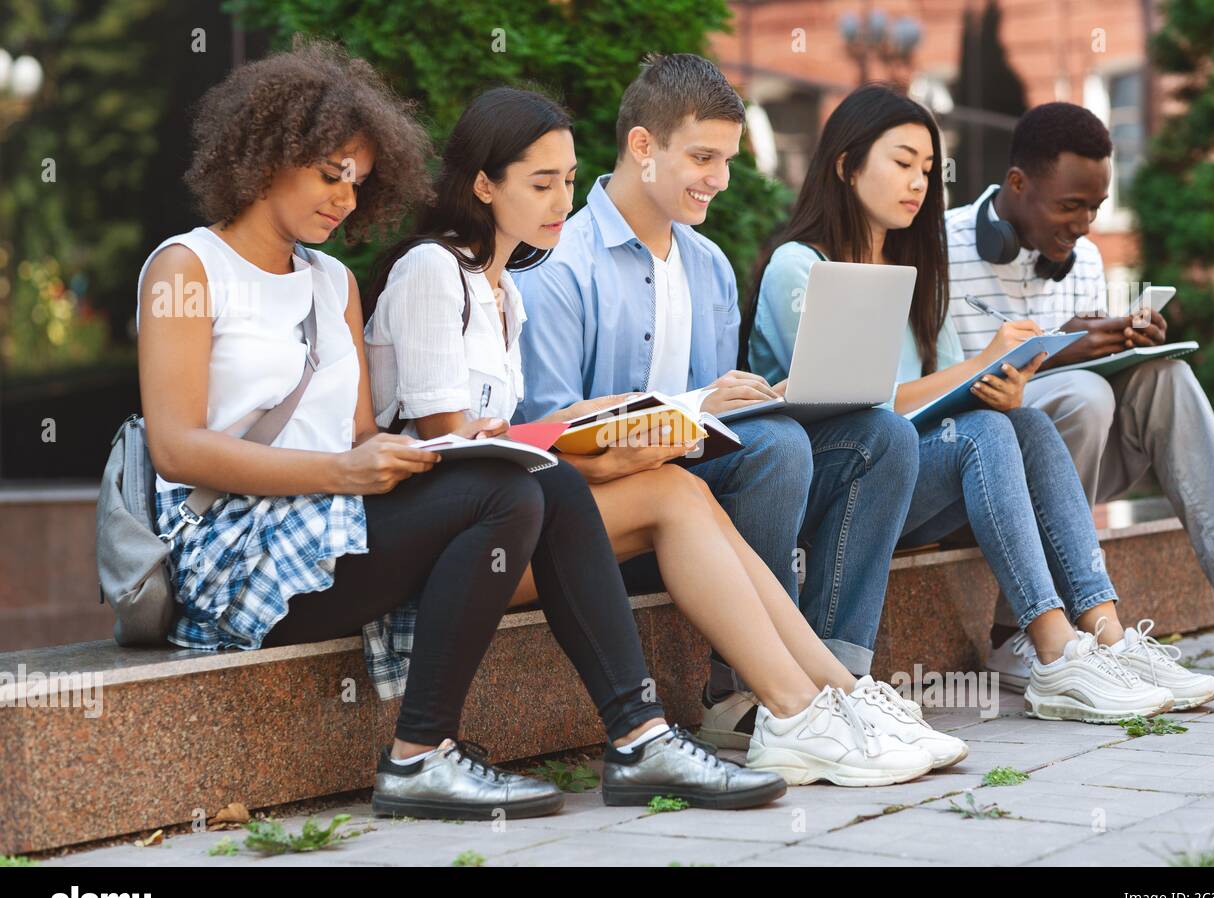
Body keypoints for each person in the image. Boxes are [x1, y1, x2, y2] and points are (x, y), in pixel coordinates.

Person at [137, 41, 784, 821]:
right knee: (509, 493)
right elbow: (176, 449)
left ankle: (640, 736)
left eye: (359, 179)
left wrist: (444, 448)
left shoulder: (332, 281)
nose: (345, 197)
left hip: (333, 527)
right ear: (265, 156)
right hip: (237, 554)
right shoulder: (187, 268)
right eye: (328, 173)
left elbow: (360, 437)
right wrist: (347, 471)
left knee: (530, 478)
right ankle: (419, 757)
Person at [365, 85, 967, 786]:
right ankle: (790, 708)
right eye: (541, 183)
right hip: (458, 535)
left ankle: (832, 694)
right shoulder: (435, 271)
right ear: (482, 184)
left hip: (523, 514)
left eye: (565, 180)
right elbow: (460, 454)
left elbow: (511, 434)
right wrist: (621, 432)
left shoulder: (509, 294)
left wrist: (659, 414)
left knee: (705, 480)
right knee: (682, 486)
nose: (562, 200)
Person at [745, 85, 1214, 722]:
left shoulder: (917, 263)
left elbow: (943, 386)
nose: (919, 182)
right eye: (901, 162)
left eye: (926, 168)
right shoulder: (798, 267)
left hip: (906, 476)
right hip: (827, 486)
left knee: (1016, 421)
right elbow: (861, 401)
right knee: (985, 435)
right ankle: (1052, 651)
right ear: (845, 164)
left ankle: (1104, 635)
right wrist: (977, 364)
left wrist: (997, 381)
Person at [514, 54, 921, 747]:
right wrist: (706, 402)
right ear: (642, 147)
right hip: (612, 511)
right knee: (778, 447)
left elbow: (715, 424)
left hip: (701, 489)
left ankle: (847, 677)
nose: (721, 180)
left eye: (728, 160)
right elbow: (554, 435)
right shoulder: (559, 261)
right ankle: (744, 694)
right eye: (703, 157)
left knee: (883, 437)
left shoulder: (710, 266)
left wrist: (762, 396)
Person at [944, 102, 1214, 689]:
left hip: (1076, 461)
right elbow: (937, 393)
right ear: (1017, 184)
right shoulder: (941, 246)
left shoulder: (1084, 260)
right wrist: (1063, 352)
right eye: (1069, 205)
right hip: (979, 469)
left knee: (1166, 375)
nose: (1084, 224)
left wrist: (1122, 345)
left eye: (1096, 207)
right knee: (1083, 394)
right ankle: (1019, 632)